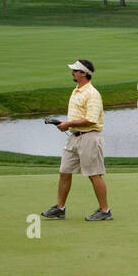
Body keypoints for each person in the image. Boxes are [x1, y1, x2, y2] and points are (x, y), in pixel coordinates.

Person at [40, 60, 111, 221]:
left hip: (90, 137)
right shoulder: (77, 90)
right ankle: (60, 208)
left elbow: (91, 119)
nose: (72, 72)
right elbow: (78, 117)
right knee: (64, 172)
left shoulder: (92, 94)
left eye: (76, 70)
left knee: (94, 174)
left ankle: (105, 211)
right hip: (74, 137)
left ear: (84, 73)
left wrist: (68, 124)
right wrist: (65, 124)